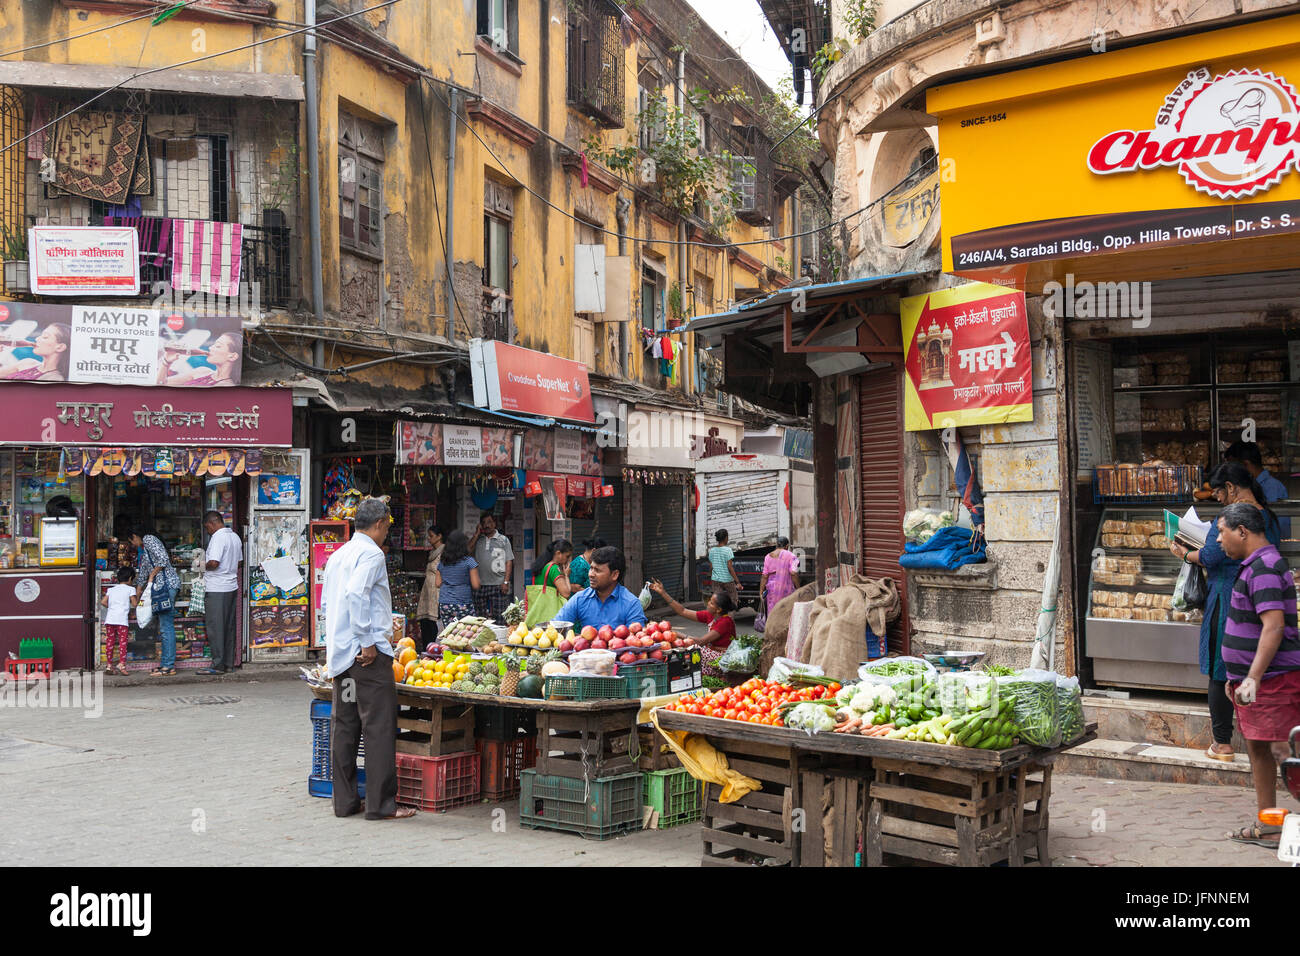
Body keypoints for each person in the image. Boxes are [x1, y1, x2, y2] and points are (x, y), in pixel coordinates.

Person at [1169, 462, 1281, 762]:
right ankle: (1262, 737)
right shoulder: (1268, 516)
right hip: (1261, 599)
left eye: (1218, 492)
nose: (1217, 498)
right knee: (1257, 665)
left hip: (1228, 600)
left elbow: (1211, 556)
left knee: (1221, 671)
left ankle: (1222, 743)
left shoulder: (1233, 519)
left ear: (1230, 488)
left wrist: (1184, 553)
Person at [320, 497, 416, 821]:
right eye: (387, 526)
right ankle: (380, 805)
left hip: (342, 659)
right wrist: (367, 642)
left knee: (346, 727)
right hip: (367, 659)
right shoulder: (372, 554)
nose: (387, 532)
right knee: (378, 726)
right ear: (379, 524)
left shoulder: (339, 555)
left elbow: (328, 605)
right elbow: (357, 594)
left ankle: (345, 803)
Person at [1214, 502, 1300, 848]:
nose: (1219, 540)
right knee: (1259, 750)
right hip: (1256, 681)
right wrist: (1237, 678)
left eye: (1221, 531)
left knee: (1285, 751)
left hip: (1274, 680)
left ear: (1242, 531)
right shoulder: (1254, 564)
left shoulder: (1264, 566)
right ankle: (1269, 824)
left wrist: (1252, 677)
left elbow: (1274, 626)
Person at [648, 579, 737, 678]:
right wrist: (663, 593)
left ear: (718, 609)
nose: (708, 603)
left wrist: (676, 634)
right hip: (712, 654)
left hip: (723, 659)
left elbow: (700, 642)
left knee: (692, 647)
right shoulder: (710, 615)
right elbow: (682, 611)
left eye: (711, 603)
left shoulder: (725, 622)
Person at [553, 546, 647, 630]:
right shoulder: (579, 599)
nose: (590, 574)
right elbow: (556, 626)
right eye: (591, 568)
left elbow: (636, 642)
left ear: (614, 575)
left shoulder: (631, 604)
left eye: (597, 570)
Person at [131, 524, 182, 677]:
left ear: (135, 536)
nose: (133, 544)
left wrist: (152, 577)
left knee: (166, 627)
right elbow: (143, 572)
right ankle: (165, 664)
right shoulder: (145, 549)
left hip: (166, 586)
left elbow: (163, 559)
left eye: (132, 541)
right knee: (164, 627)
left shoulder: (149, 539)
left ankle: (168, 666)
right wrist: (139, 592)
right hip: (160, 588)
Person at [198, 511, 243, 675]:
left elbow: (214, 563)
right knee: (228, 627)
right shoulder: (235, 537)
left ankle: (217, 665)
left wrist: (199, 564)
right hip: (231, 587)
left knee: (216, 628)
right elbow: (239, 562)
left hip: (217, 588)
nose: (207, 531)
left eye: (207, 528)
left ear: (211, 523)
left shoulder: (218, 537)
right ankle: (228, 664)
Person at [1224, 440, 1290, 537]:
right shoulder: (1245, 486)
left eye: (1232, 468)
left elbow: (1279, 529)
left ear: (1245, 464)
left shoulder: (1273, 488)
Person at [468, 512, 514, 623]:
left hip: (498, 584)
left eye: (489, 522)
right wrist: (476, 534)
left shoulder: (503, 540)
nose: (486, 525)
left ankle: (499, 640)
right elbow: (468, 550)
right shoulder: (478, 540)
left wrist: (506, 582)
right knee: (480, 619)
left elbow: (509, 561)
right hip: (480, 585)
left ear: (495, 524)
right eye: (483, 523)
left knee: (500, 618)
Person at [435, 529, 480, 628]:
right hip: (463, 603)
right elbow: (476, 585)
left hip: (445, 603)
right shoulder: (470, 562)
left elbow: (437, 584)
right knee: (466, 633)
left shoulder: (442, 563)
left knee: (450, 633)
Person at [100, 566, 138, 676]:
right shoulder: (131, 589)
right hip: (121, 620)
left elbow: (103, 602)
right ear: (130, 578)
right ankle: (122, 664)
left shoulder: (111, 589)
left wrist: (112, 608)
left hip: (110, 619)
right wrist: (142, 601)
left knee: (110, 642)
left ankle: (109, 665)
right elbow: (135, 604)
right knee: (122, 643)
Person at [0, 323, 70, 381]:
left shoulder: (54, 378)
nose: (37, 339)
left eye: (45, 337)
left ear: (60, 347)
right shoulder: (27, 363)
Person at [415, 524, 445, 645]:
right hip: (427, 593)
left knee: (433, 625)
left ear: (439, 536)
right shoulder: (432, 552)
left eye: (431, 536)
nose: (428, 538)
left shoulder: (443, 553)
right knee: (425, 623)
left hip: (437, 593)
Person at [759, 537, 800, 625]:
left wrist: (761, 591)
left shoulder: (768, 556)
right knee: (786, 613)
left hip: (772, 590)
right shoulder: (791, 556)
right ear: (787, 546)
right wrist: (798, 588)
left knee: (773, 612)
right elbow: (793, 573)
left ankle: (772, 632)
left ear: (777, 545)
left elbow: (765, 576)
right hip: (786, 588)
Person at [707, 529, 739, 607]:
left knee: (717, 602)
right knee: (733, 600)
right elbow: (730, 567)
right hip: (728, 580)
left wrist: (711, 575)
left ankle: (719, 617)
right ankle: (730, 617)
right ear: (725, 538)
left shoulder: (712, 550)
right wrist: (737, 582)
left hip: (716, 581)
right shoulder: (728, 550)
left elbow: (711, 567)